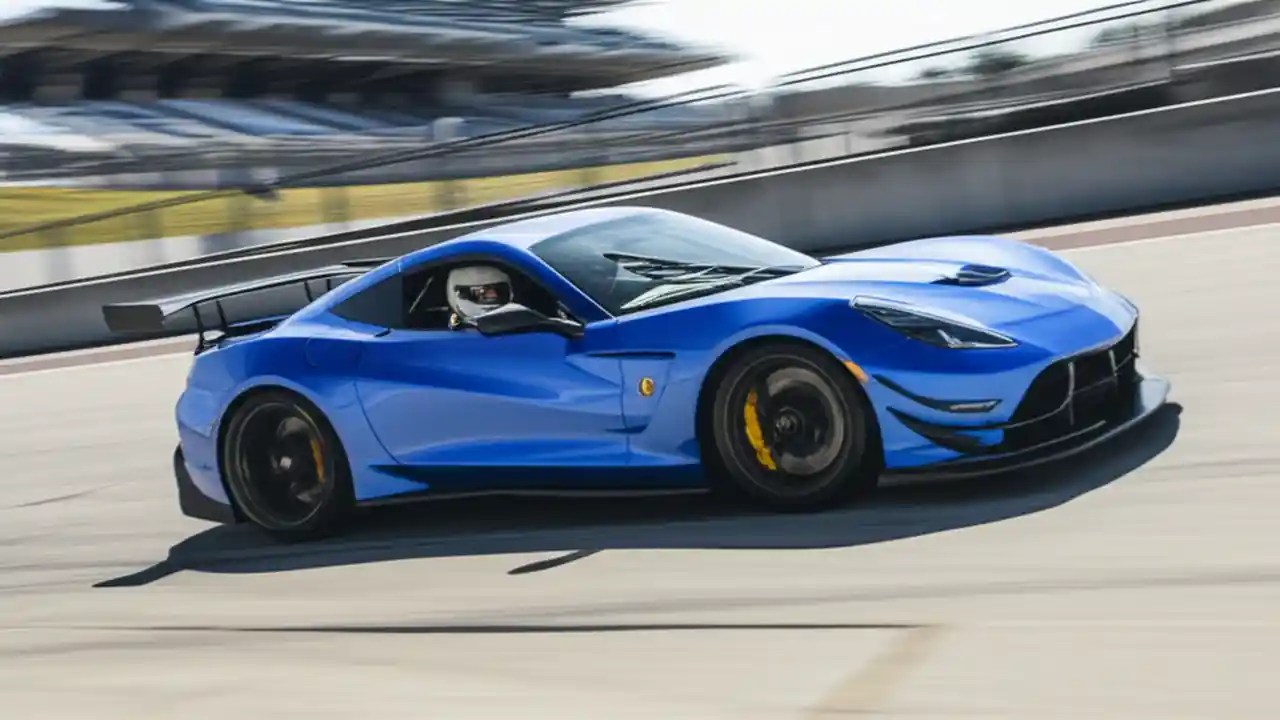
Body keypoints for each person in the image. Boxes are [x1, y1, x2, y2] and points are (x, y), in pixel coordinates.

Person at [446, 265, 513, 329]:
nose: (493, 295)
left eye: (499, 290)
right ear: (460, 294)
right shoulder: (443, 329)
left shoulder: (517, 321)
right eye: (483, 291)